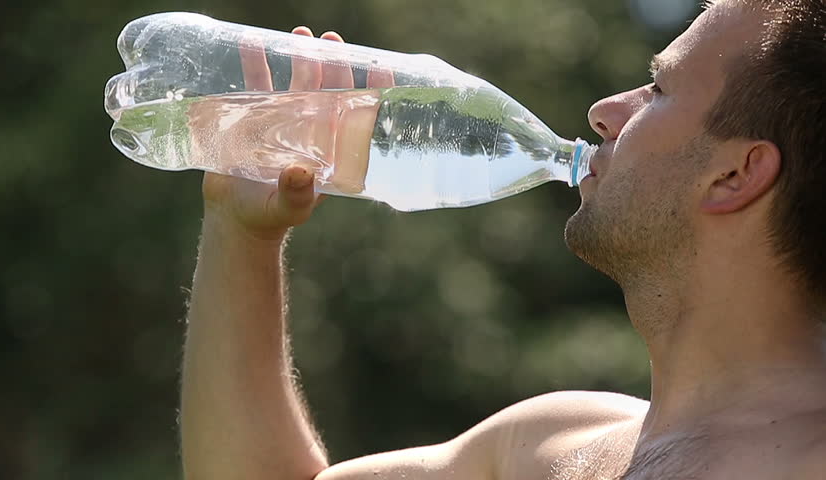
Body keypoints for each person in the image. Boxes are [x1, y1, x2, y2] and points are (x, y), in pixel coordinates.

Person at [179, 0, 826, 478]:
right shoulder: (552, 443)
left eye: (658, 90)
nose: (605, 111)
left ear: (735, 174)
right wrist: (242, 229)